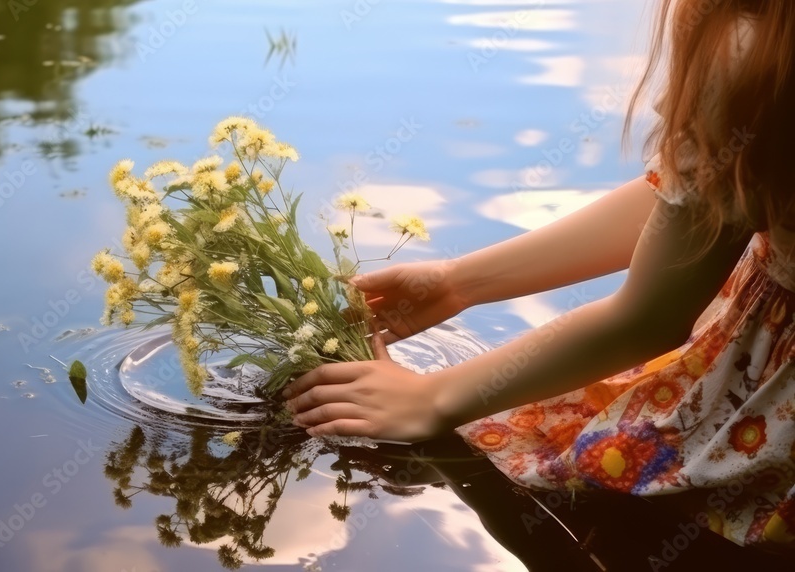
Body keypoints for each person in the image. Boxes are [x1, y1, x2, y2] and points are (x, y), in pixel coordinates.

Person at [284, 0, 795, 553]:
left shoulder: (748, 43)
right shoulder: (766, 37)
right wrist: (461, 282)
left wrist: (430, 399)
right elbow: (698, 201)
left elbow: (648, 319)